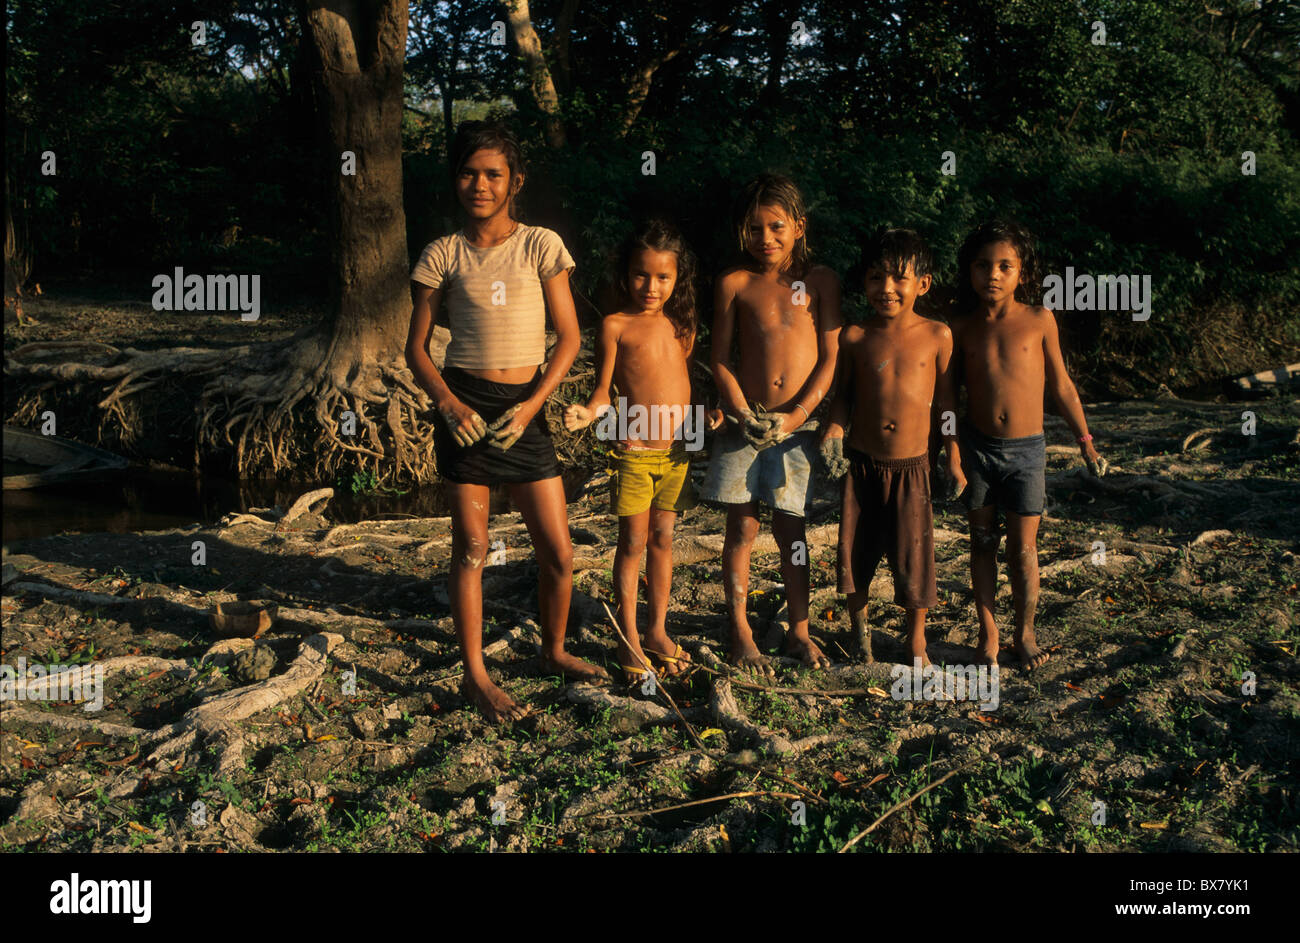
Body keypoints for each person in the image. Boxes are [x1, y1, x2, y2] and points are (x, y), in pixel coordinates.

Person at [405, 121, 608, 723]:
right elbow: (416, 349)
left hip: (526, 408)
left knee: (560, 553)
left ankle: (554, 649)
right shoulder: (442, 254)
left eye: (494, 174)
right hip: (464, 407)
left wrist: (533, 404)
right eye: (469, 173)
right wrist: (449, 405)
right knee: (471, 546)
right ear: (456, 179)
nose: (481, 185)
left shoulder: (541, 245)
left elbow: (569, 338)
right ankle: (475, 675)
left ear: (515, 181)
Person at [950, 219, 1108, 670]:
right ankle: (988, 633)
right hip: (977, 449)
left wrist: (1086, 441)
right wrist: (951, 451)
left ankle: (1025, 631)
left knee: (1023, 550)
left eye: (1005, 266)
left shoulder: (1039, 320)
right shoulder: (959, 327)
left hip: (1027, 453)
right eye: (983, 265)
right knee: (982, 542)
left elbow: (1062, 386)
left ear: (1022, 271)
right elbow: (946, 399)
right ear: (969, 270)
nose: (993, 275)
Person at [703, 173, 842, 674]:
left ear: (799, 226)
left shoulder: (820, 281)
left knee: (792, 531)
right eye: (754, 229)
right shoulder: (734, 283)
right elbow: (720, 358)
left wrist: (798, 416)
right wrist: (742, 412)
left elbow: (830, 357)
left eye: (776, 227)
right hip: (745, 423)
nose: (766, 238)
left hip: (796, 429)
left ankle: (799, 629)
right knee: (741, 527)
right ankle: (740, 629)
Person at [564, 219, 702, 683]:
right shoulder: (615, 326)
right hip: (636, 452)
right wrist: (590, 413)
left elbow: (677, 385)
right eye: (641, 274)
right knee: (633, 543)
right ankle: (628, 637)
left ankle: (657, 630)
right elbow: (605, 391)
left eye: (663, 277)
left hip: (677, 452)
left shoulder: (682, 325)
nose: (651, 286)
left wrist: (705, 423)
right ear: (626, 274)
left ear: (678, 278)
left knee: (664, 540)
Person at [821, 228, 963, 666]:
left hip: (913, 467)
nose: (886, 288)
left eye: (899, 278)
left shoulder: (938, 335)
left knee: (914, 558)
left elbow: (947, 404)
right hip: (862, 465)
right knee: (856, 554)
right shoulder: (855, 336)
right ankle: (860, 634)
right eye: (875, 277)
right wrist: (833, 431)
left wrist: (953, 456)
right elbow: (843, 395)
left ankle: (916, 641)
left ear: (924, 283)